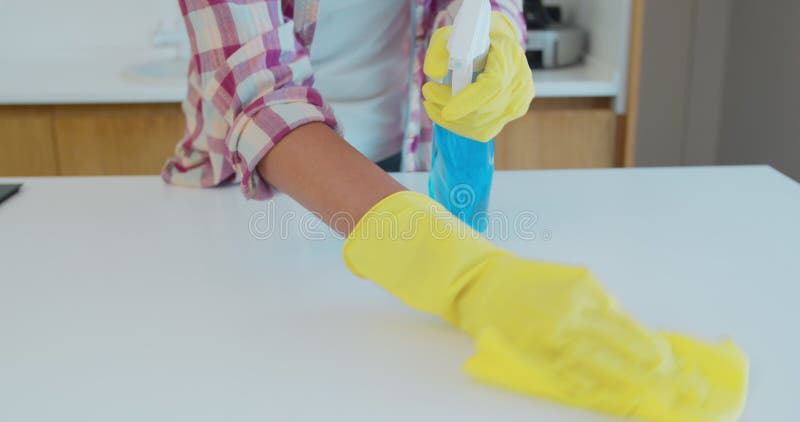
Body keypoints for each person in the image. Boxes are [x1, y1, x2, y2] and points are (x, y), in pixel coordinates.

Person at [162, 1, 747, 420]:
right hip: (252, 201)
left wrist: (490, 28)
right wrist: (463, 275)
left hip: (410, 165)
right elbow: (261, 98)